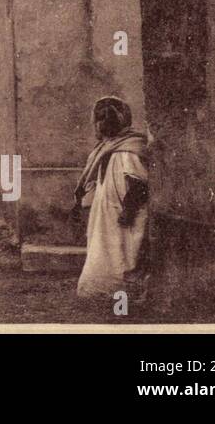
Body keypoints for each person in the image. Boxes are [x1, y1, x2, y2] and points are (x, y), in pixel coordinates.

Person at [72, 96, 149, 299]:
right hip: (107, 207)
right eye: (100, 121)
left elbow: (138, 183)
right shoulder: (107, 147)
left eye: (105, 121)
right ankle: (102, 288)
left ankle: (119, 291)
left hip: (123, 209)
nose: (101, 126)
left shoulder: (129, 149)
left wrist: (129, 210)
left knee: (122, 250)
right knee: (104, 247)